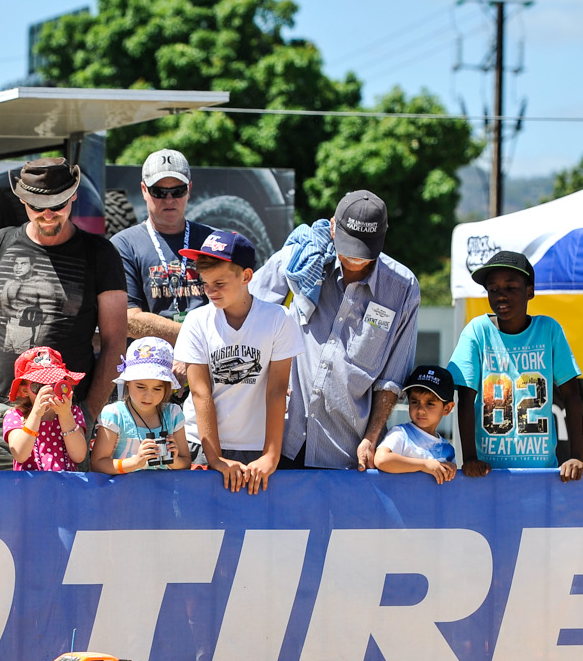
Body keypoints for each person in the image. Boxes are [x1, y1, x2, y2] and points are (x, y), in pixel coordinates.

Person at [0, 157, 127, 470]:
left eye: (59, 203)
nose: (49, 214)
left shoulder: (99, 252)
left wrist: (89, 412)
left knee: (62, 515)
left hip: (65, 414)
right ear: (22, 200)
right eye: (38, 206)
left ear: (74, 195)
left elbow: (114, 342)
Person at [250, 189, 420, 470]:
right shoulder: (300, 261)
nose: (354, 259)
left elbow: (391, 379)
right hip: (276, 438)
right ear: (332, 226)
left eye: (363, 251)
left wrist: (371, 437)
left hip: (345, 452)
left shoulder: (403, 288)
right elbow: (247, 312)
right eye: (348, 246)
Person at [176, 230, 302, 494]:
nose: (210, 291)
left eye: (219, 283)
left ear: (246, 276)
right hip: (203, 445)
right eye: (205, 283)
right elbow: (200, 393)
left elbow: (278, 390)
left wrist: (271, 455)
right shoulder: (197, 320)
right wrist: (215, 459)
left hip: (257, 448)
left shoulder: (279, 318)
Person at [448, 250, 583, 481]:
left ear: (529, 291)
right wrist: (470, 458)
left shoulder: (549, 329)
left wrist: (578, 456)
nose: (501, 296)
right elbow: (465, 398)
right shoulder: (477, 331)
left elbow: (572, 395)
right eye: (493, 290)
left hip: (543, 473)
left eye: (511, 288)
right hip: (488, 474)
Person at [110, 150, 215, 356]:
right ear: (144, 190)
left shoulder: (213, 241)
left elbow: (234, 309)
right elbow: (129, 319)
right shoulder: (123, 244)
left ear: (189, 189)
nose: (169, 199)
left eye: (177, 191)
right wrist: (198, 339)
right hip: (149, 365)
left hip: (209, 363)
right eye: (159, 192)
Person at [90, 337, 191, 474]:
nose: (148, 396)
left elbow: (186, 462)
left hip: (162, 493)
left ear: (167, 387)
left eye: (157, 389)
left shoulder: (173, 414)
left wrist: (174, 460)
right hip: (124, 493)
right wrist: (135, 462)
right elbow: (97, 463)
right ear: (127, 382)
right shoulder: (115, 414)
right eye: (141, 387)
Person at [3, 346, 89, 471]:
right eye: (38, 386)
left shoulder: (73, 413)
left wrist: (65, 415)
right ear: (24, 390)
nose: (49, 390)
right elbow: (19, 454)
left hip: (64, 488)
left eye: (56, 383)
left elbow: (79, 456)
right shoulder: (16, 416)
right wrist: (36, 414)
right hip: (29, 488)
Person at [374, 365, 458, 484]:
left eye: (430, 403)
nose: (420, 410)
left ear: (447, 408)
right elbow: (381, 460)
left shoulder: (448, 450)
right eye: (414, 402)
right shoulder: (400, 433)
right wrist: (424, 465)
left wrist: (452, 469)